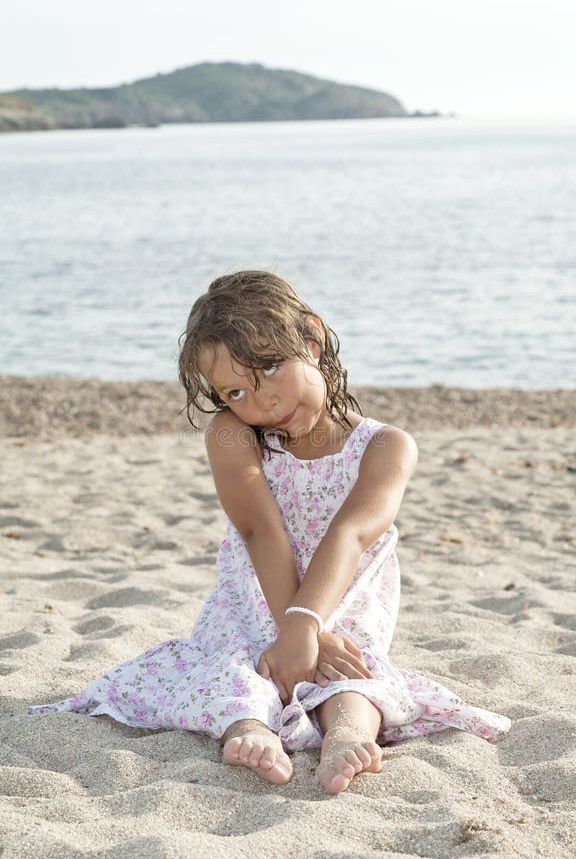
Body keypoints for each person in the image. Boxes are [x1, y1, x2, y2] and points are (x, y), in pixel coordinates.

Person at [29, 270, 511, 794]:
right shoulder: (235, 435)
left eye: (269, 368)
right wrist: (291, 629)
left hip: (343, 598)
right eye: (236, 389)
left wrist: (309, 626)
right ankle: (249, 727)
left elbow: (350, 534)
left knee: (350, 675)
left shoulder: (385, 447)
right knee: (234, 666)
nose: (262, 403)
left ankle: (345, 734)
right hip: (254, 596)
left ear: (312, 338)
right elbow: (261, 530)